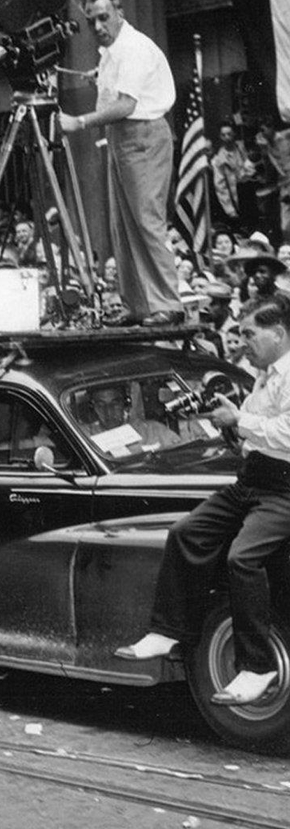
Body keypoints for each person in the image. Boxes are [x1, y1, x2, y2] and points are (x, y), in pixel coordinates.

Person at [115, 296, 290, 705]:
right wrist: (234, 423)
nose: (242, 341)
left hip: (285, 489)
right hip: (252, 480)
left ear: (278, 333)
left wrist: (240, 421)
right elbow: (256, 432)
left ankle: (258, 667)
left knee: (243, 559)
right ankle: (167, 632)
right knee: (185, 532)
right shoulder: (265, 375)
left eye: (249, 333)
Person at [58, 0, 183, 325]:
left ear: (119, 13)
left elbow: (127, 105)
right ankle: (137, 305)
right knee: (122, 224)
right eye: (91, 21)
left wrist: (79, 121)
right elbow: (121, 90)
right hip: (121, 138)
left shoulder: (134, 48)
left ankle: (168, 305)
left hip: (143, 136)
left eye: (104, 18)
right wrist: (102, 77)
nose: (98, 27)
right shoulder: (113, 52)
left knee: (146, 220)